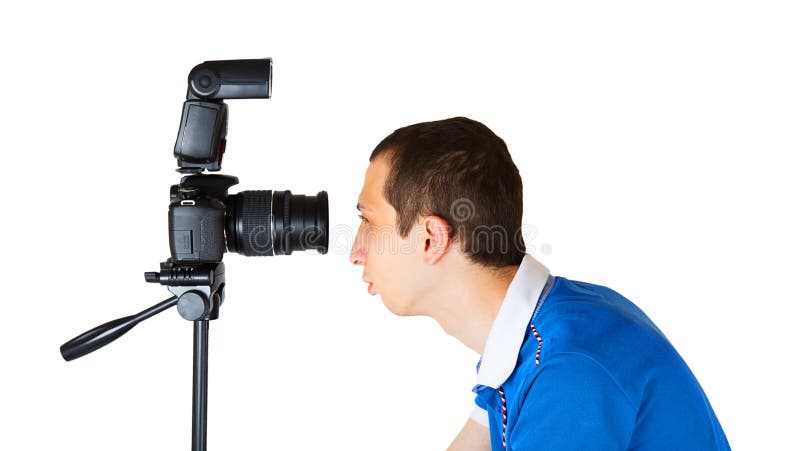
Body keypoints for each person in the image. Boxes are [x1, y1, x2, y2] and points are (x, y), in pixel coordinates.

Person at [349, 117, 730, 450]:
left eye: (369, 221)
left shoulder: (567, 368)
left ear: (431, 238)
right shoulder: (534, 333)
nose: (355, 252)